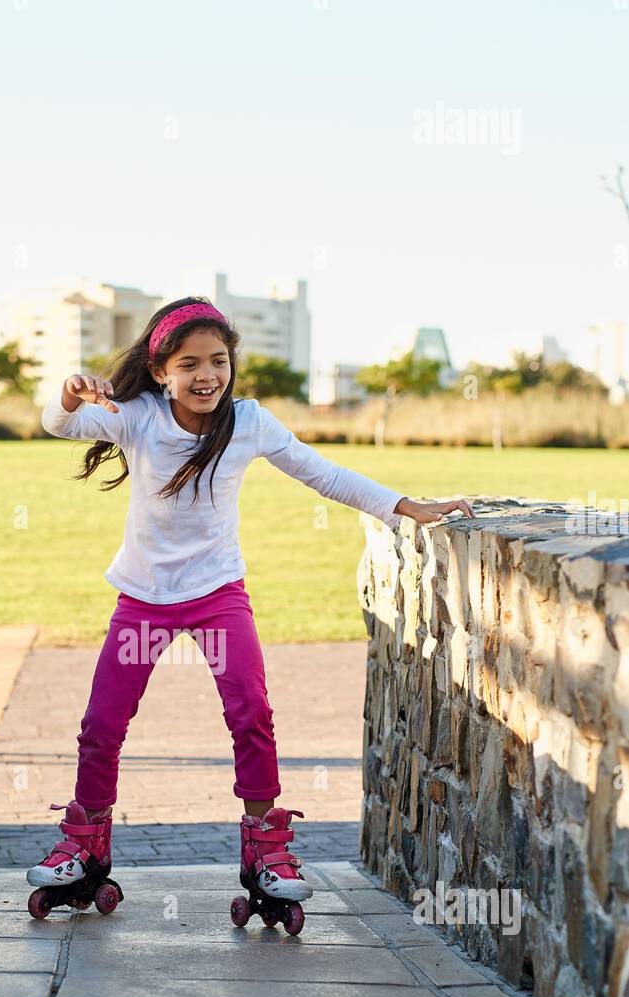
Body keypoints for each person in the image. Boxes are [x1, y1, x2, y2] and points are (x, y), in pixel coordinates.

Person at [26, 296, 473, 911]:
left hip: (217, 598)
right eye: (189, 364)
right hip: (144, 600)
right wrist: (72, 392)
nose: (206, 375)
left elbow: (325, 475)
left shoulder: (251, 422)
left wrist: (408, 507)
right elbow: (57, 423)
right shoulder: (136, 417)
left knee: (251, 716)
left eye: (218, 360)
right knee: (102, 726)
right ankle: (84, 843)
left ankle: (265, 845)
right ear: (162, 373)